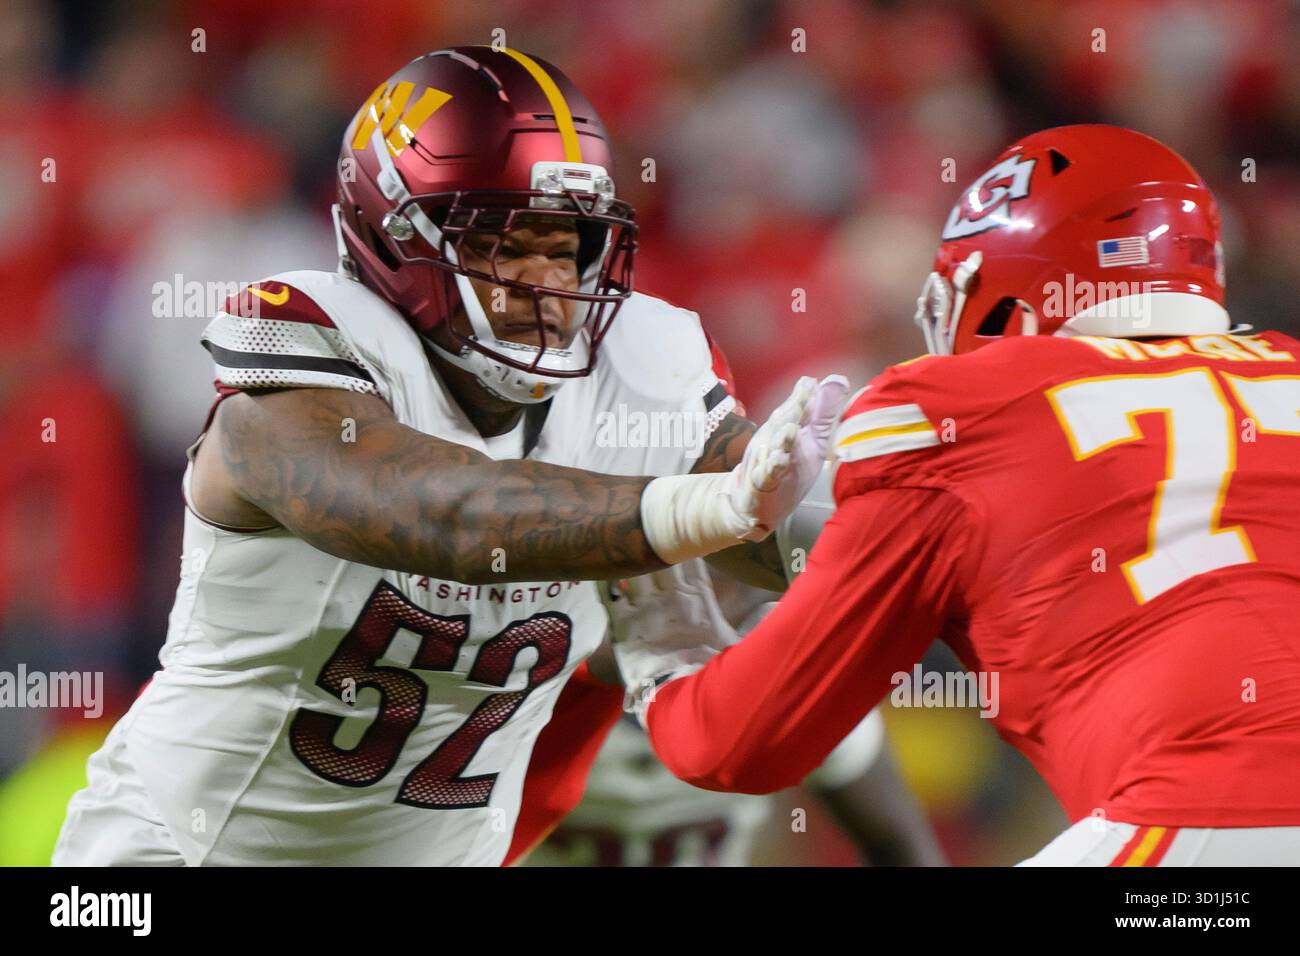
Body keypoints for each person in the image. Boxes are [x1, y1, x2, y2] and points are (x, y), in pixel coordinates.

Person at [52, 46, 846, 867]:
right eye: (505, 243)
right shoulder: (299, 371)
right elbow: (453, 517)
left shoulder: (639, 362)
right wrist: (701, 510)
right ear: (394, 236)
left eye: (568, 244)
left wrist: (875, 518)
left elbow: (769, 519)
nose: (546, 282)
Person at [623, 125, 1300, 866]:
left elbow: (742, 743)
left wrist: (664, 663)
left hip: (1209, 831)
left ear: (1005, 285)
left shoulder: (955, 407)